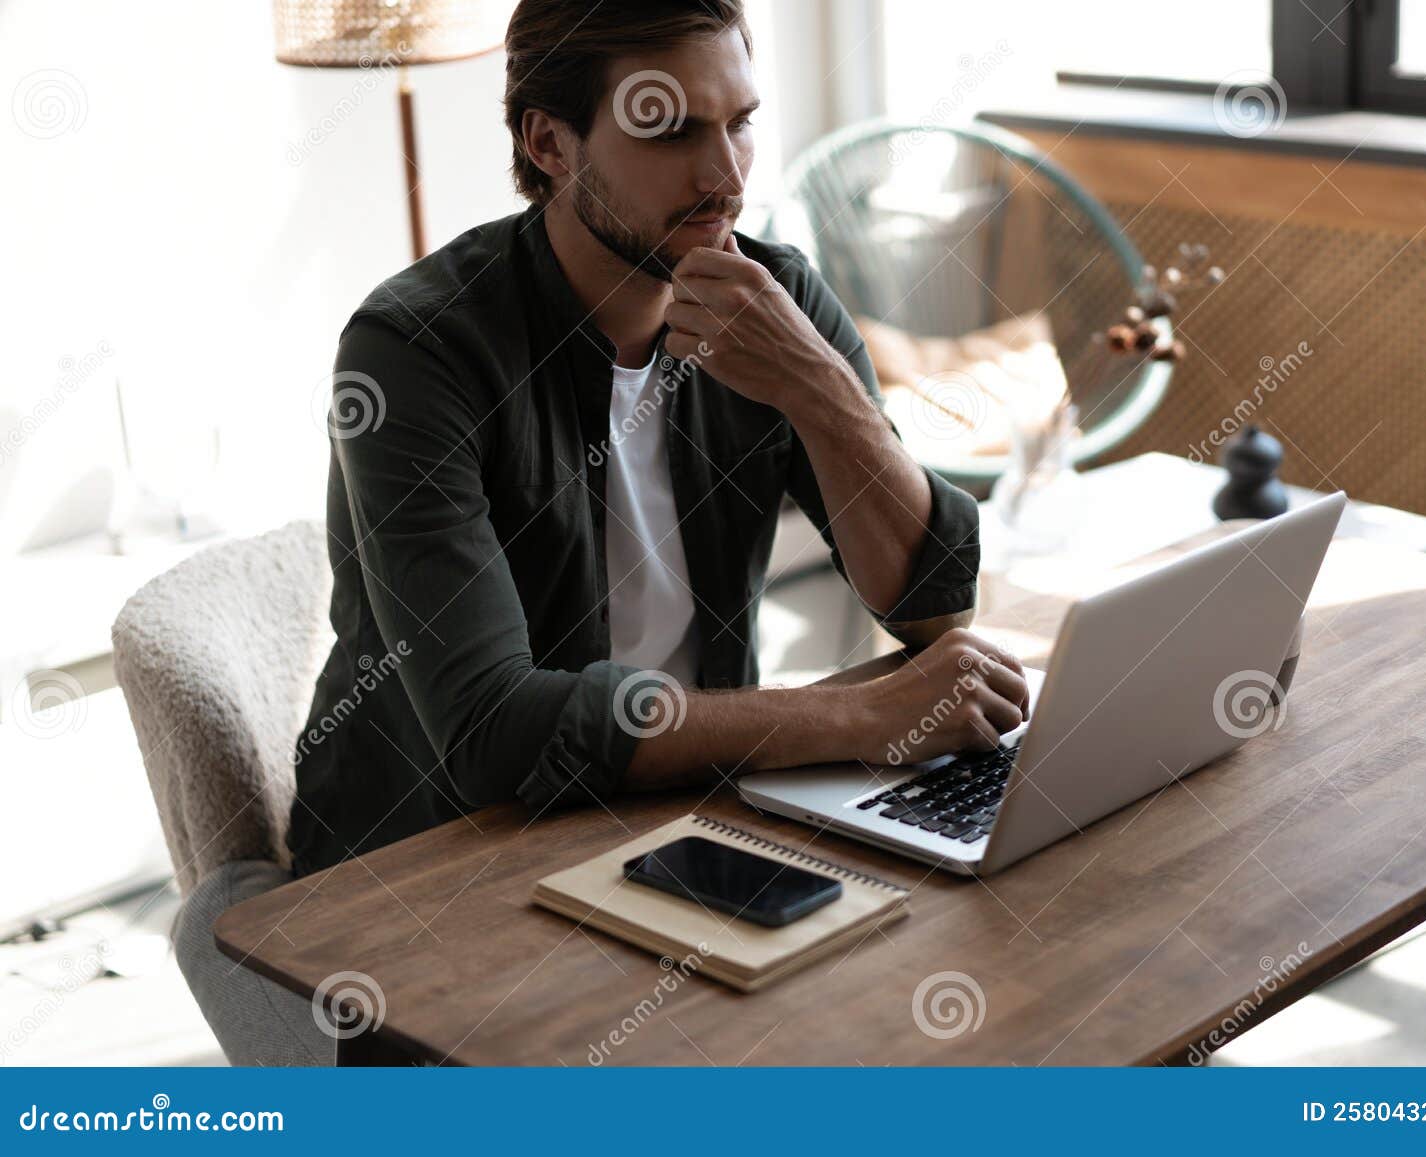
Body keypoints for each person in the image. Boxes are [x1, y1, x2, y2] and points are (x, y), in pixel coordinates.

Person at [287, 0, 1030, 878]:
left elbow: (929, 606)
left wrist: (820, 388)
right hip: (435, 865)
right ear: (550, 145)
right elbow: (494, 731)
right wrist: (864, 718)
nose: (727, 177)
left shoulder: (773, 298)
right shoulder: (416, 351)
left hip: (693, 809)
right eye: (671, 130)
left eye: (741, 123)